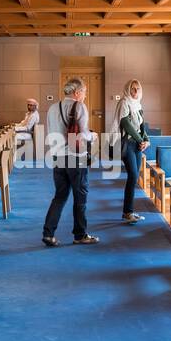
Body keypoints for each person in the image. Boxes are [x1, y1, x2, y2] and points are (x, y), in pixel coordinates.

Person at [42, 77, 99, 246]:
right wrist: (93, 136)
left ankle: (48, 233)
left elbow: (50, 133)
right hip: (76, 158)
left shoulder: (52, 108)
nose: (85, 96)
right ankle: (80, 235)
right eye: (84, 92)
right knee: (80, 197)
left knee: (59, 196)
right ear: (76, 92)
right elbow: (82, 135)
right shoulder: (79, 106)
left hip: (58, 157)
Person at [114, 79, 149, 224]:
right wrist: (140, 140)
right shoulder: (124, 102)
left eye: (138, 89)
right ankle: (127, 212)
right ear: (128, 89)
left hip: (137, 145)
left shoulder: (138, 105)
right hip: (127, 143)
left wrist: (146, 140)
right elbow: (126, 124)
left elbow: (141, 126)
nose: (135, 92)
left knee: (134, 178)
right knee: (133, 175)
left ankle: (129, 212)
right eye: (133, 89)